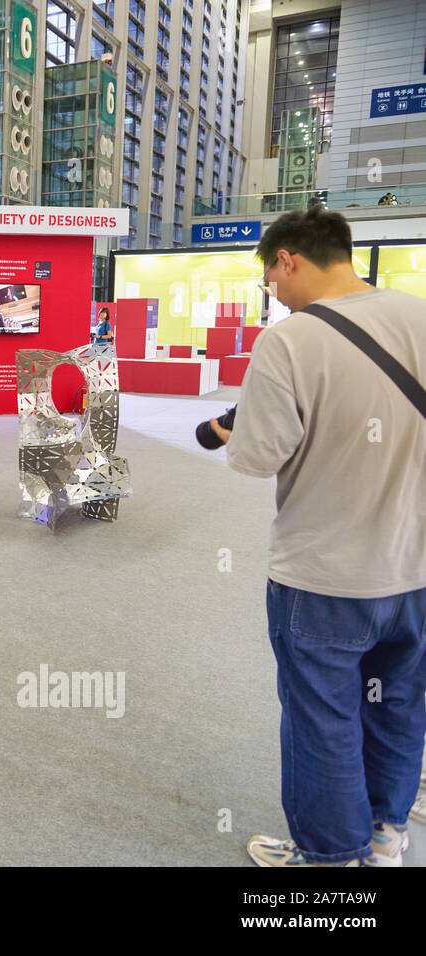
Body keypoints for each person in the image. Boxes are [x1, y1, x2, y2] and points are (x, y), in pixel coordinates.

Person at [212, 206, 426, 867]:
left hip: (324, 576)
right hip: (415, 569)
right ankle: (388, 835)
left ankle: (335, 859)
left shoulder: (290, 341)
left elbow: (256, 457)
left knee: (322, 720)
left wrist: (233, 432)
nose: (272, 291)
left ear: (289, 260)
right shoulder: (420, 316)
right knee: (396, 706)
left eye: (269, 277)